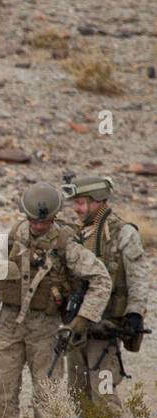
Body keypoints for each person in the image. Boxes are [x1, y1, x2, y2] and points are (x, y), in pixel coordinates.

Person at [0, 183, 112, 418]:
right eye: (34, 220)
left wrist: (82, 319)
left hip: (46, 325)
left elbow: (101, 279)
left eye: (45, 221)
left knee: (46, 392)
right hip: (9, 322)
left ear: (53, 217)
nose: (39, 226)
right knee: (3, 388)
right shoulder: (13, 237)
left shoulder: (66, 244)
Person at [61, 173, 150, 404]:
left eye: (81, 203)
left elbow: (138, 278)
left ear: (98, 201)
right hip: (78, 326)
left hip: (106, 327)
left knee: (103, 393)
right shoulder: (77, 234)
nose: (77, 209)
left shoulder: (124, 233)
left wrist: (135, 314)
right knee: (77, 393)